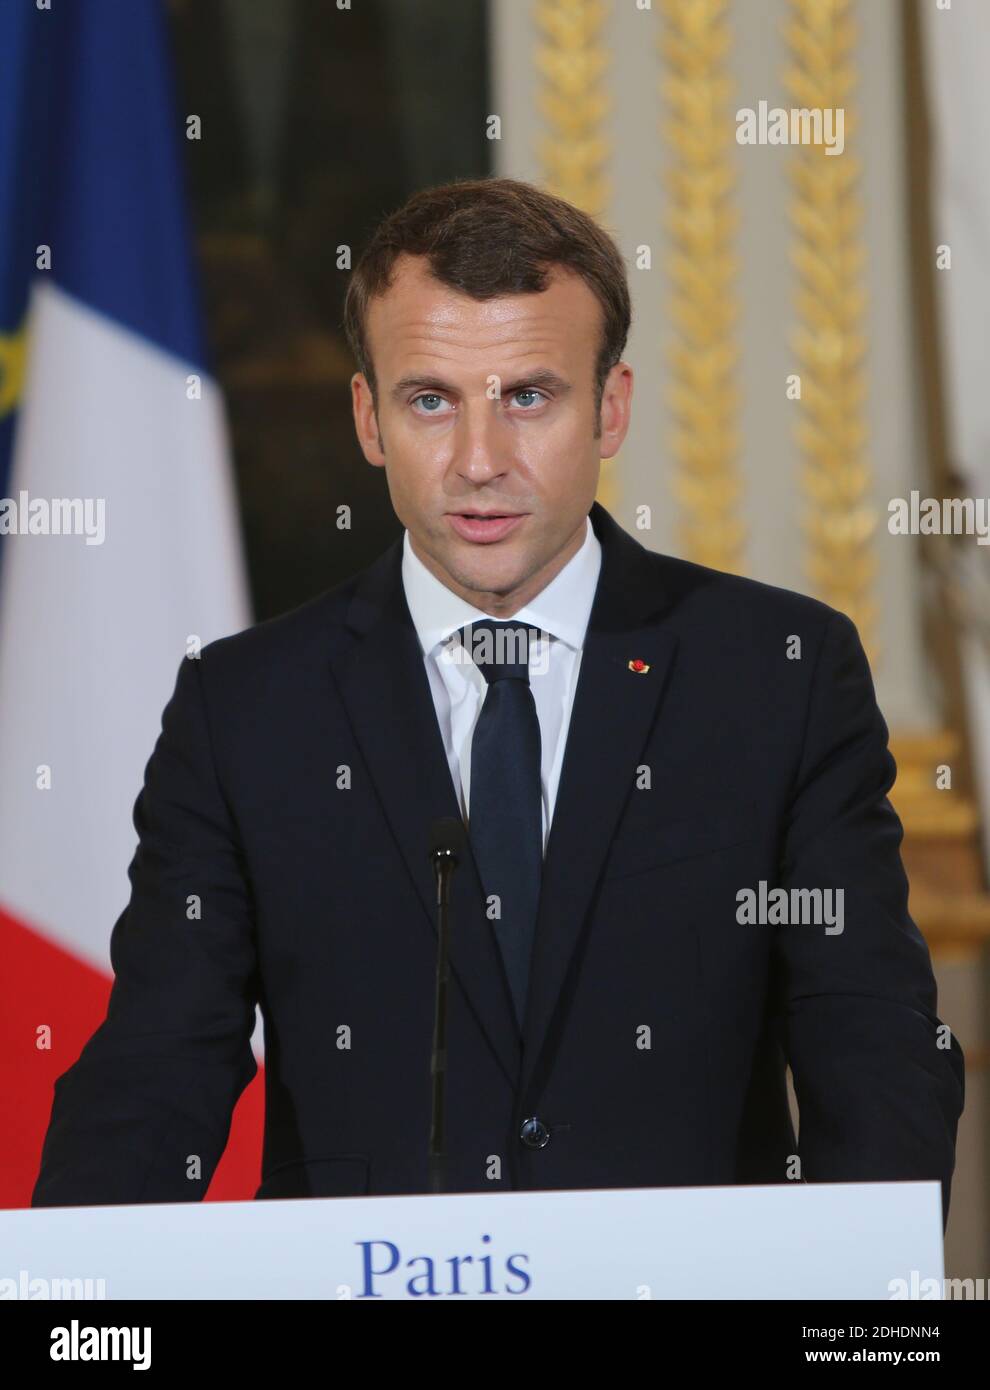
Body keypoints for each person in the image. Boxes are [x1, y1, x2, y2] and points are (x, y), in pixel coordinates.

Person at [33, 177, 964, 1228]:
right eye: (431, 399)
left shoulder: (781, 673)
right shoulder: (244, 710)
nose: (480, 462)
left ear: (610, 407)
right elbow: (159, 1069)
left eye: (529, 395)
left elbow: (872, 1043)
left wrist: (858, 1313)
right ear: (367, 418)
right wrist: (80, 1302)